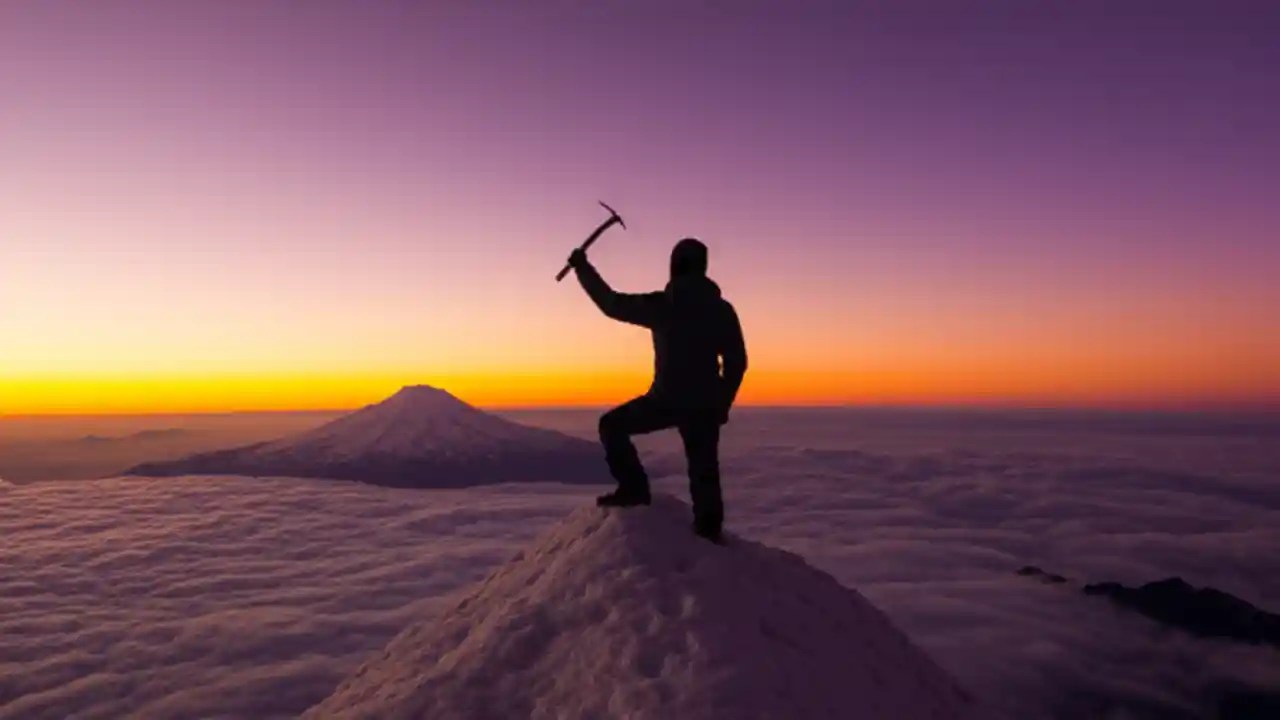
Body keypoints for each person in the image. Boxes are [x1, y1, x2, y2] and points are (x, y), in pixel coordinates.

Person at [567, 237, 747, 542]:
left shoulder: (664, 304)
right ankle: (709, 532)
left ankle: (634, 490)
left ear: (675, 267)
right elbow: (736, 362)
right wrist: (721, 402)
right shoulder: (722, 310)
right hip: (704, 405)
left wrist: (582, 268)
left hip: (664, 400)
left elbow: (611, 303)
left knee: (611, 426)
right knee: (704, 470)